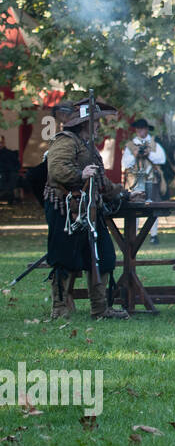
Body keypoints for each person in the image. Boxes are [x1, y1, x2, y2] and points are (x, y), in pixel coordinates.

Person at [42, 96, 131, 320]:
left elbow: (101, 182)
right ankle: (59, 309)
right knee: (64, 259)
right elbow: (56, 169)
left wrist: (124, 192)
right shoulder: (66, 140)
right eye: (95, 123)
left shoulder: (88, 147)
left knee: (102, 256)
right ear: (84, 124)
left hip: (90, 210)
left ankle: (100, 309)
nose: (99, 128)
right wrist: (80, 174)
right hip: (66, 209)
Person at [120, 118, 166, 244]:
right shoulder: (131, 145)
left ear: (146, 129)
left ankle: (154, 235)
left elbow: (162, 159)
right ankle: (133, 235)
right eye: (139, 129)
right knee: (135, 206)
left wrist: (148, 154)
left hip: (151, 178)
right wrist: (135, 154)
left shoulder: (153, 144)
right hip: (135, 180)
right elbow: (125, 163)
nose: (141, 131)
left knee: (152, 205)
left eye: (143, 128)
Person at [0, 135, 19, 203]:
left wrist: (13, 170)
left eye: (1, 142)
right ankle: (6, 194)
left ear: (4, 143)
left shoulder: (10, 153)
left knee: (13, 176)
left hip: (9, 173)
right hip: (2, 173)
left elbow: (17, 164)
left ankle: (7, 194)